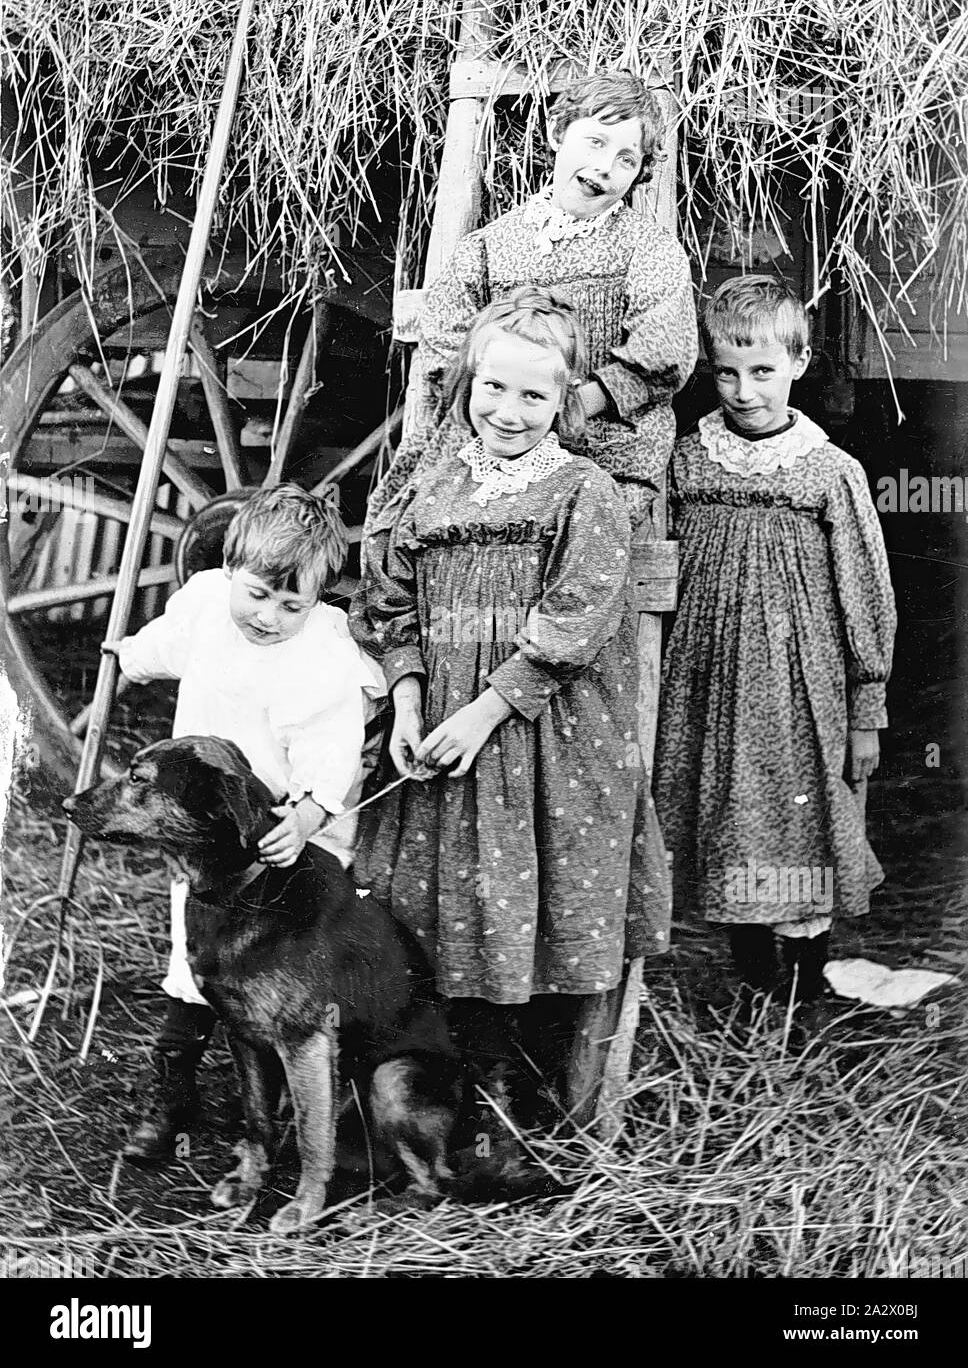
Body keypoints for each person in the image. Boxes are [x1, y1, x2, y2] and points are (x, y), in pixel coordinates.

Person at [351, 288, 671, 1113]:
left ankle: (514, 1110)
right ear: (466, 381)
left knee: (527, 893)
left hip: (540, 731)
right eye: (494, 387)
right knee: (436, 897)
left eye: (534, 394)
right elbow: (392, 599)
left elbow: (575, 620)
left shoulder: (581, 491)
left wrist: (484, 713)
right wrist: (413, 703)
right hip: (439, 725)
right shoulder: (425, 478)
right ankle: (431, 1101)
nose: (510, 410)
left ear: (563, 400)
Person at [110, 483, 385, 1160]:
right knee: (195, 954)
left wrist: (311, 813)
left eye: (293, 605)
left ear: (317, 601)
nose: (269, 616)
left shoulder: (321, 655)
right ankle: (172, 1086)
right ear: (231, 567)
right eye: (258, 594)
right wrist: (129, 657)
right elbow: (165, 645)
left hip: (286, 834)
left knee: (272, 967)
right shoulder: (206, 603)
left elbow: (334, 754)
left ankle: (279, 1102)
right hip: (207, 834)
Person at [653, 276, 897, 1010]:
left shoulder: (829, 474)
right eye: (726, 371)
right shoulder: (686, 461)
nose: (743, 389)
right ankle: (755, 986)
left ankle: (802, 996)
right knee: (723, 822)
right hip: (704, 681)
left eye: (762, 371)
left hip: (799, 688)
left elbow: (867, 596)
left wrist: (866, 712)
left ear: (798, 361)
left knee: (799, 823)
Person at [364, 68, 697, 549]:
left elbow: (663, 352)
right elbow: (445, 348)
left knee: (576, 542)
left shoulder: (648, 248)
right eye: (595, 142)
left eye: (626, 159)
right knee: (416, 527)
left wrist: (578, 406)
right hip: (493, 433)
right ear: (558, 134)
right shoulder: (489, 248)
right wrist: (498, 410)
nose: (605, 167)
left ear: (640, 172)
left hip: (600, 446)